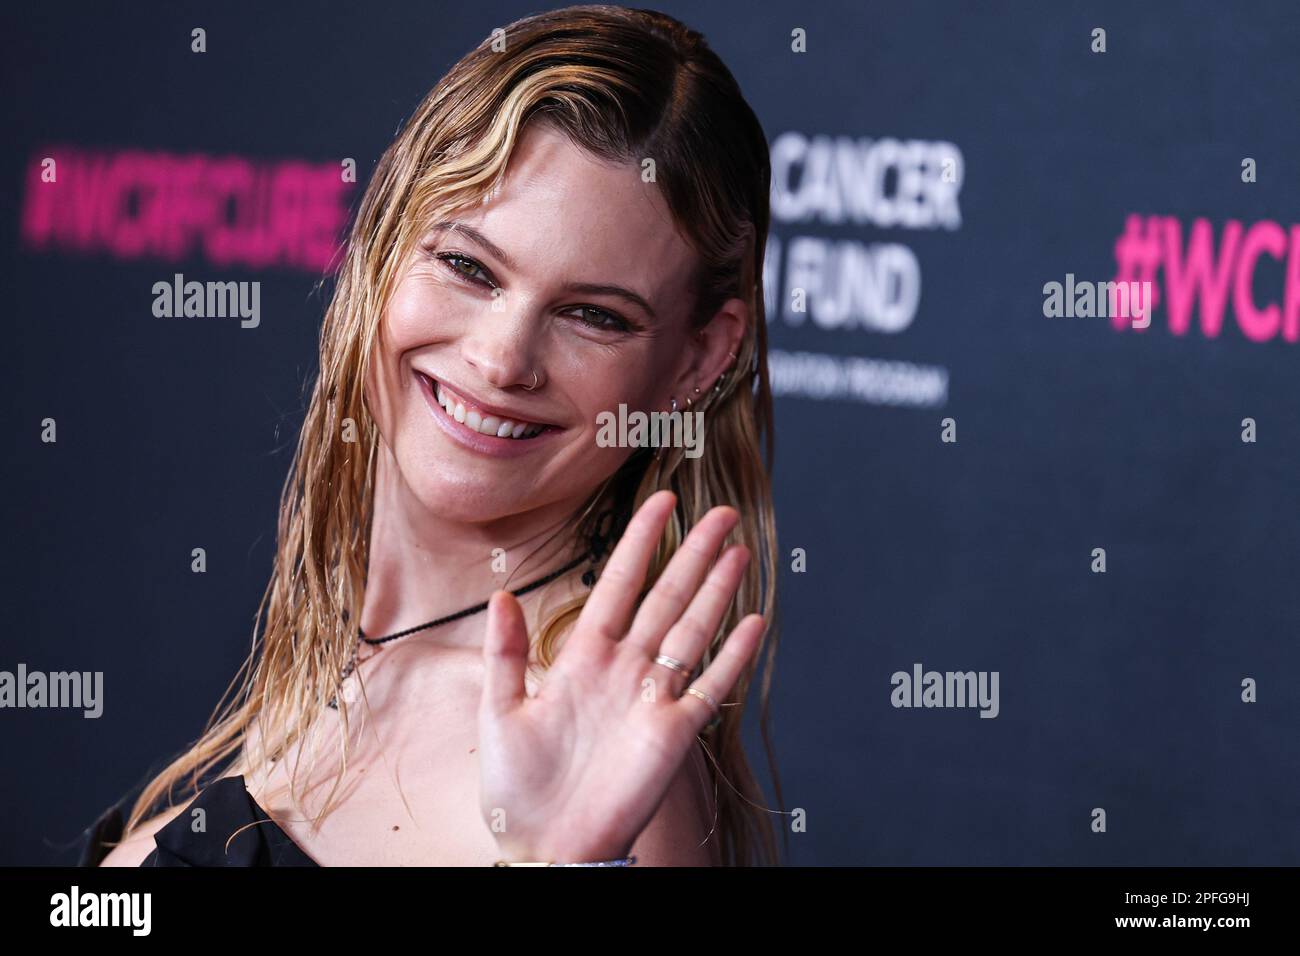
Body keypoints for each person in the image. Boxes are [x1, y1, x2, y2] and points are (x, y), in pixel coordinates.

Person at [84, 4, 782, 867]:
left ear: (697, 359)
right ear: (382, 241)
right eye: (466, 265)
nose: (501, 360)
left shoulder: (605, 775)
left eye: (593, 315)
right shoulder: (335, 655)